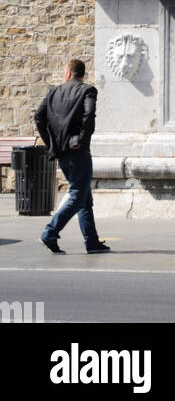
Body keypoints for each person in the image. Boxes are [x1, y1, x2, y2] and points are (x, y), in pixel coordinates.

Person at [34, 59, 110, 255]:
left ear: (68, 73)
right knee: (78, 194)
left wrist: (51, 143)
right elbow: (89, 113)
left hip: (61, 152)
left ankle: (91, 241)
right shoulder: (88, 91)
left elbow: (38, 117)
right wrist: (82, 140)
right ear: (81, 74)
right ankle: (50, 232)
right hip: (78, 152)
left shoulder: (53, 92)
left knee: (84, 196)